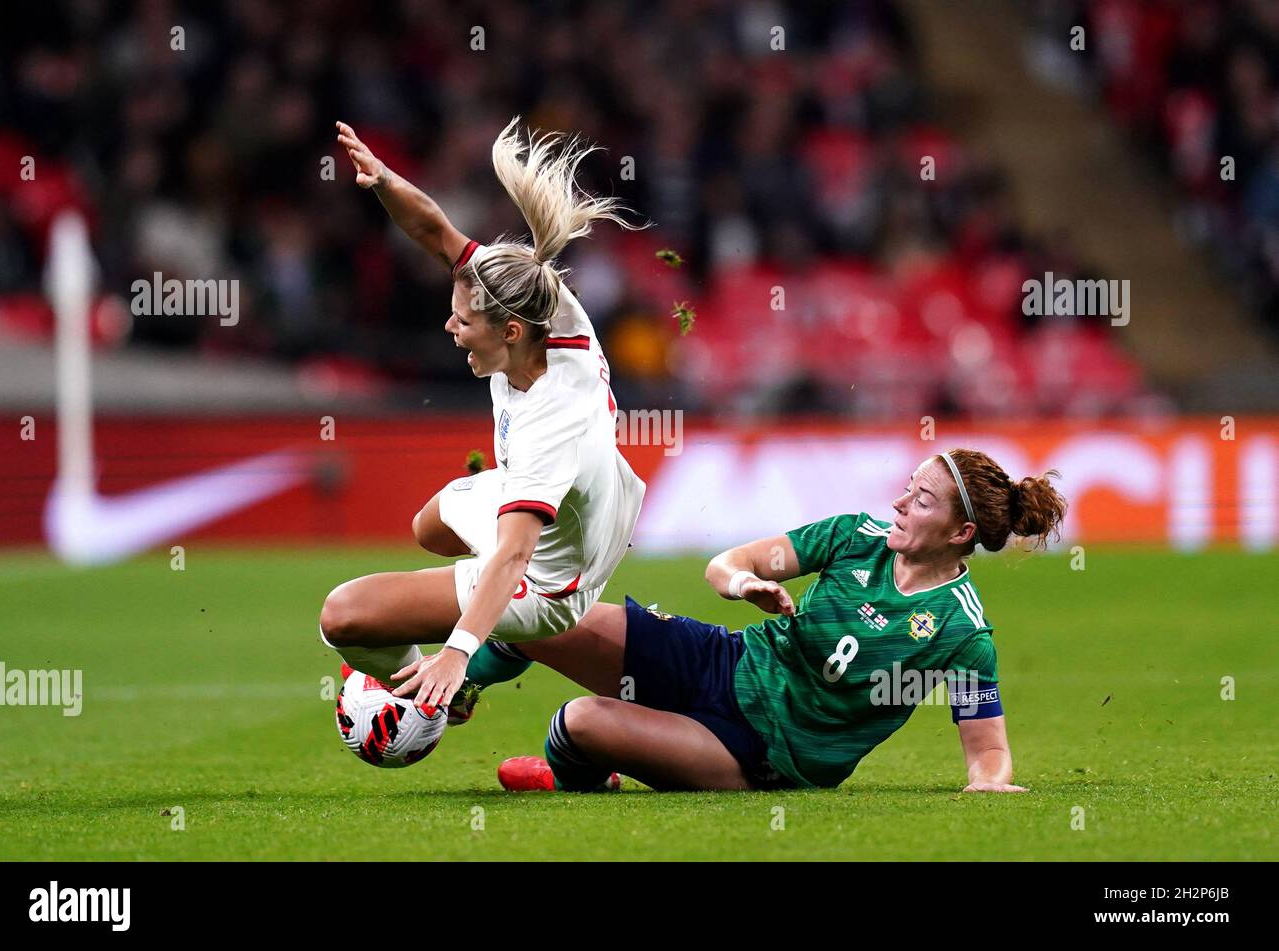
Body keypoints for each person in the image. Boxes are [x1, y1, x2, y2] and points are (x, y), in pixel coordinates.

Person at [463, 449, 1066, 792]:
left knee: (577, 723)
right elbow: (730, 562)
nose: (899, 505)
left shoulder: (962, 634)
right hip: (725, 661)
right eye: (908, 489)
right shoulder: (856, 536)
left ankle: (582, 777)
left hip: (760, 752)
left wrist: (988, 782)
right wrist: (743, 582)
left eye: (922, 501)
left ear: (961, 534)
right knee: (540, 610)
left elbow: (987, 747)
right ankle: (447, 694)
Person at [319, 118, 646, 716]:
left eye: (463, 323)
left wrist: (456, 652)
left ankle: (441, 688)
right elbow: (436, 232)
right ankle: (489, 640)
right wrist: (386, 181)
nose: (451, 328)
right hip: (591, 500)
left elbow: (516, 554)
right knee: (430, 529)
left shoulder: (552, 417)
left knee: (342, 616)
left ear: (511, 334)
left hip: (551, 578)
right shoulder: (530, 292)